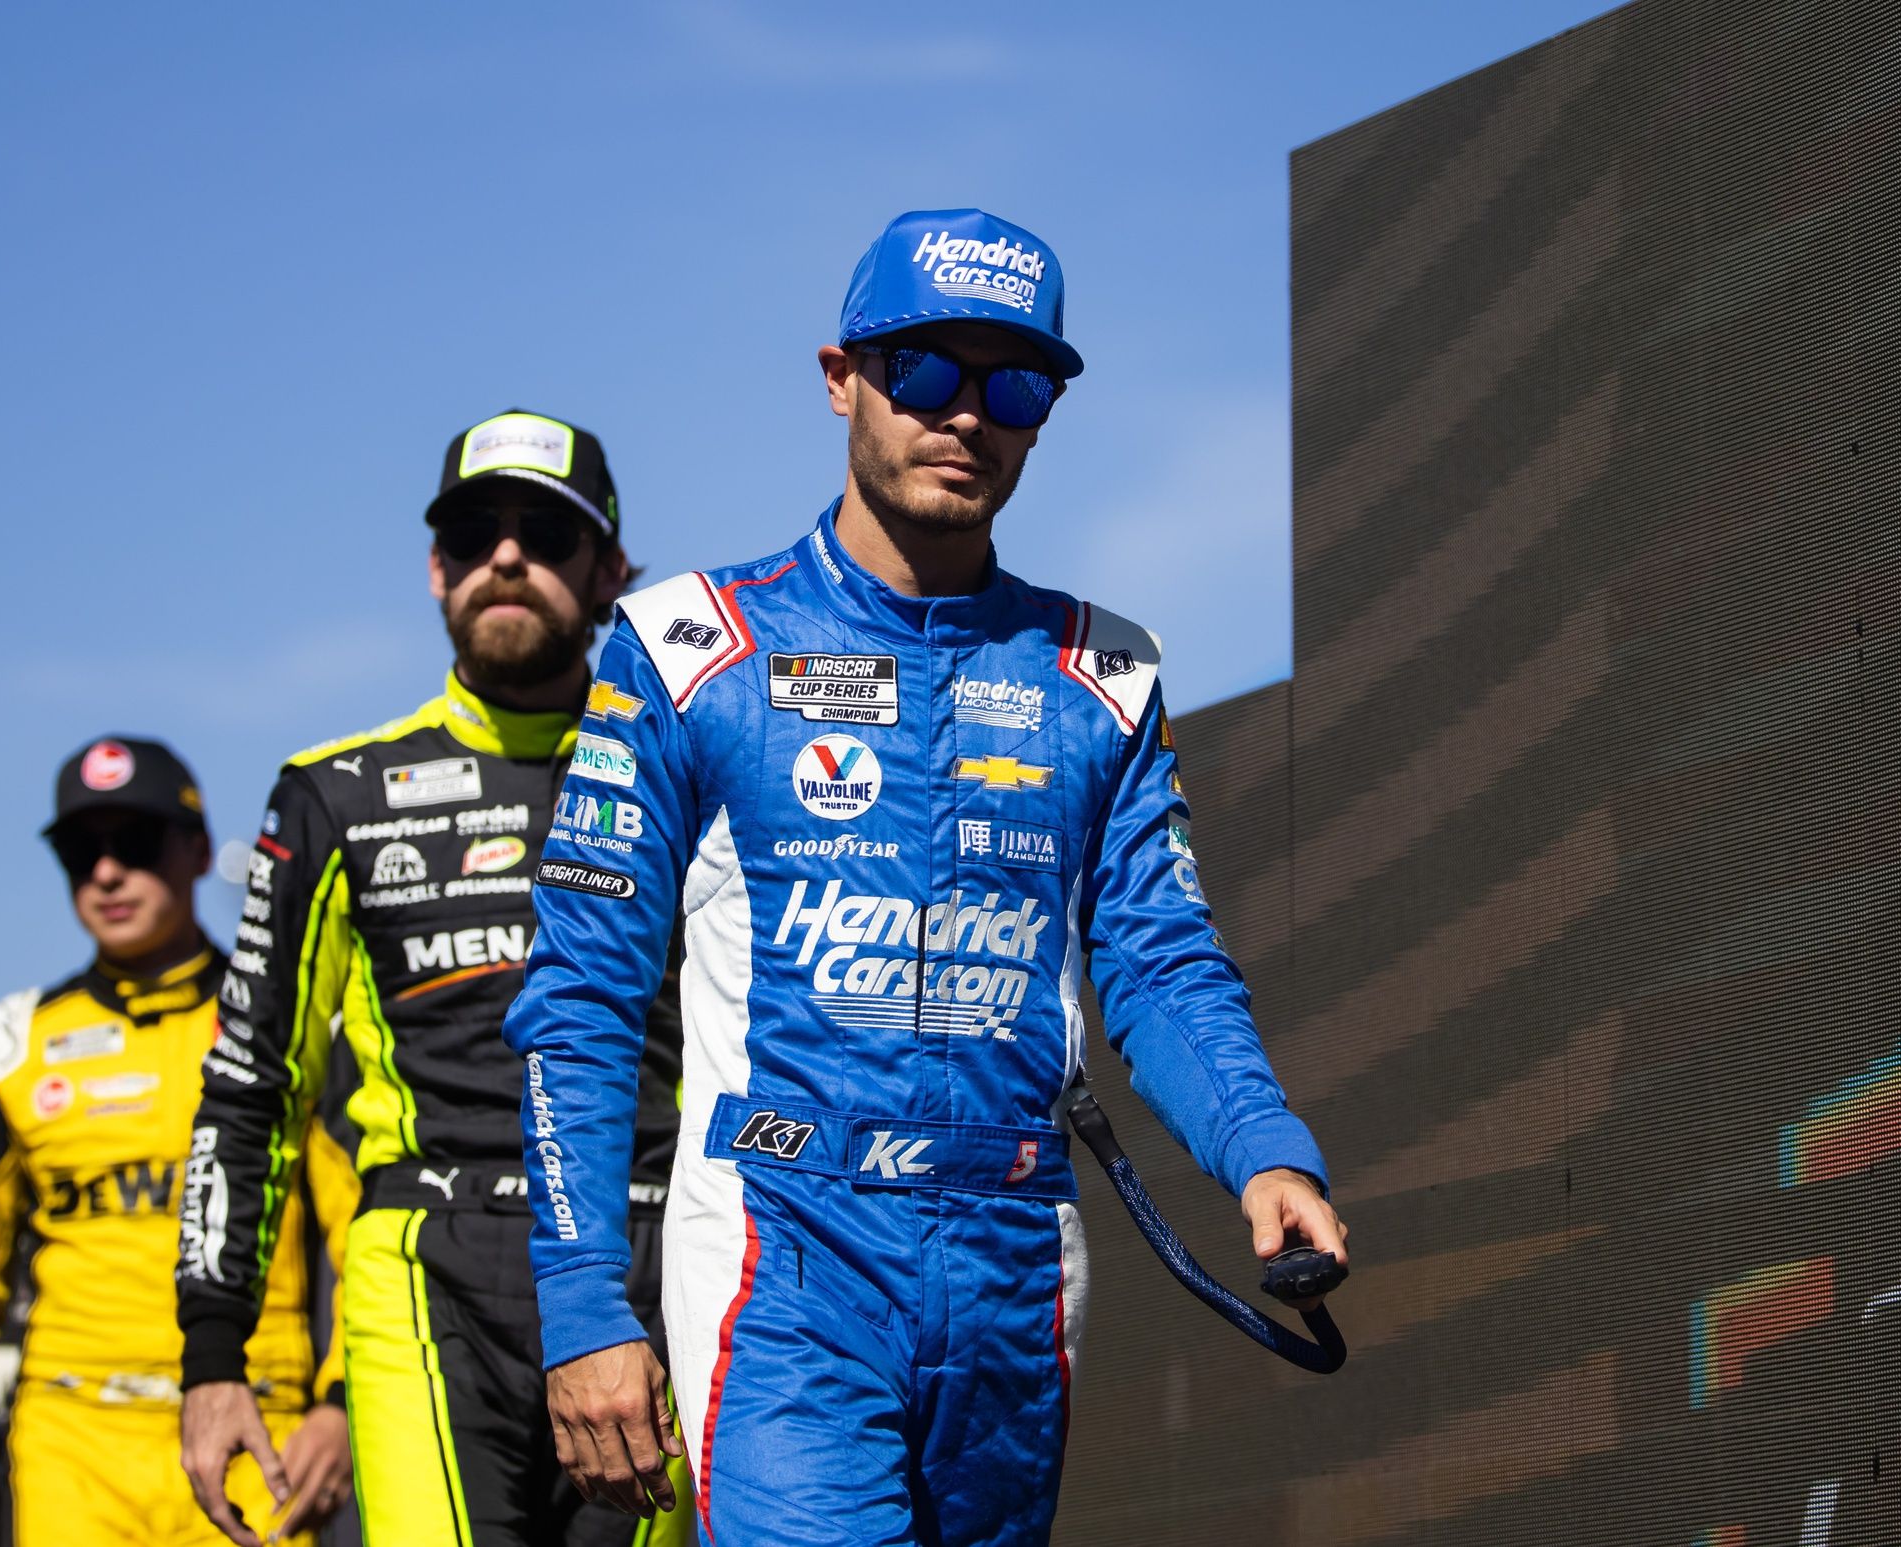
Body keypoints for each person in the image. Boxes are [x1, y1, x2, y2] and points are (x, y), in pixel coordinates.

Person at [502, 208, 1350, 1544]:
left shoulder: (1104, 672)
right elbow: (580, 993)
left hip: (1016, 1258)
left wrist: (1263, 1152)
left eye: (1013, 384)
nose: (967, 415)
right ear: (841, 376)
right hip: (782, 1250)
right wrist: (582, 1302)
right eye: (925, 373)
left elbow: (1159, 955)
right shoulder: (683, 644)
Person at [175, 411, 692, 1546]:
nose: (506, 557)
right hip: (425, 1265)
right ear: (434, 568)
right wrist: (214, 1356)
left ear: (610, 570)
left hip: (649, 1259)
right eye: (472, 532)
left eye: (547, 533)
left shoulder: (688, 778)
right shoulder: (333, 794)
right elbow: (247, 1085)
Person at [0, 736, 356, 1547]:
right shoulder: (12, 1044)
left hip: (255, 1428)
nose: (106, 872)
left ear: (201, 850)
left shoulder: (287, 1022)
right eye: (80, 851)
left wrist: (342, 1404)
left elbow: (364, 1229)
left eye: (134, 843)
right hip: (72, 1447)